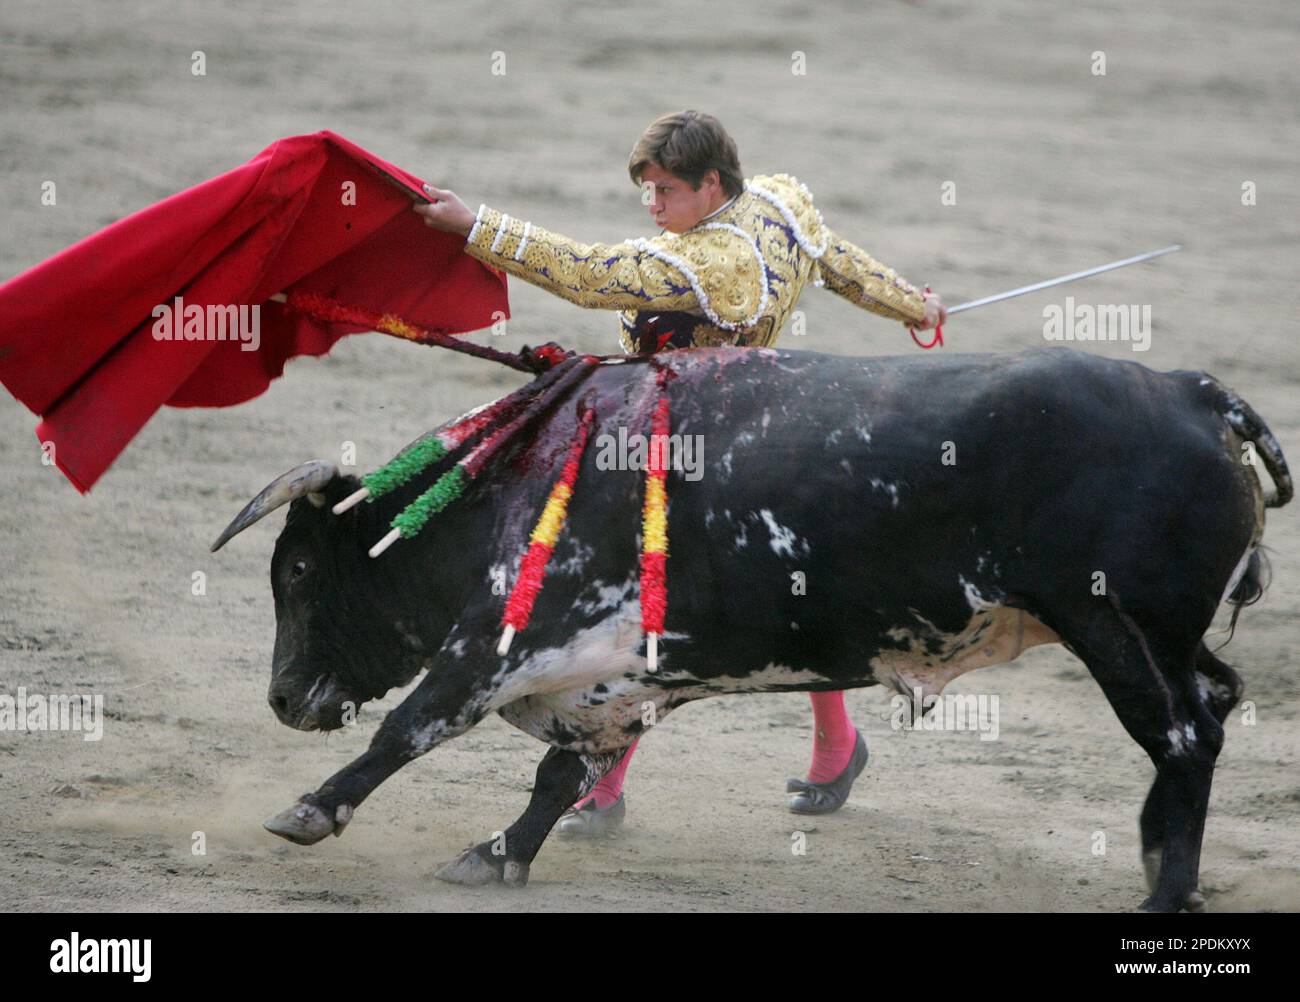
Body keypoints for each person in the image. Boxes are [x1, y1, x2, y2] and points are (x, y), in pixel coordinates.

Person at [413, 109, 945, 836]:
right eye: (648, 192)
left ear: (711, 183)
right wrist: (916, 304)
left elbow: (588, 275)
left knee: (647, 614)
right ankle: (836, 748)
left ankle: (604, 786)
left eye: (665, 191)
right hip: (761, 428)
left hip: (689, 447)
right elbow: (837, 259)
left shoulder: (710, 263)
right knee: (788, 595)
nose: (654, 207)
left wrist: (478, 227)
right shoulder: (780, 201)